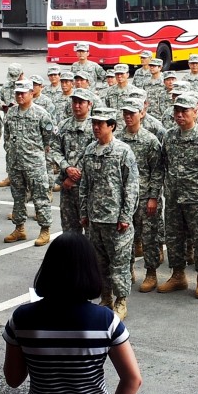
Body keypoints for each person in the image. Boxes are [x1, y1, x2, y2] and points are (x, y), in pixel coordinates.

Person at [3, 233, 142, 394]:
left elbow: (13, 378)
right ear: (90, 271)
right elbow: (133, 380)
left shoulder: (22, 318)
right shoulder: (106, 321)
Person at [157, 92, 198, 298]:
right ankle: (178, 275)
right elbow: (164, 164)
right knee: (175, 237)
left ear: (195, 112)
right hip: (174, 197)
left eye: (184, 111)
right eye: (177, 111)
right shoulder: (169, 136)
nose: (179, 115)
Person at [79, 107, 139, 319]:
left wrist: (125, 216)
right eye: (94, 123)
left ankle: (121, 301)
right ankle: (106, 298)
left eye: (101, 124)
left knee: (120, 264)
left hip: (116, 220)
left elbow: (131, 186)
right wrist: (84, 212)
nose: (96, 127)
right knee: (99, 262)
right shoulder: (89, 151)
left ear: (111, 126)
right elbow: (85, 184)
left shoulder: (122, 151)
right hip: (95, 219)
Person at [2, 79, 56, 246]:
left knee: (40, 197)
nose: (19, 96)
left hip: (34, 164)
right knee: (18, 198)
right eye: (17, 93)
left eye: (23, 93)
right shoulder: (11, 113)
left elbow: (49, 137)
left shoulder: (41, 113)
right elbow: (7, 135)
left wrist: (38, 151)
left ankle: (45, 230)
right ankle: (19, 228)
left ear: (31, 93)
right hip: (15, 163)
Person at [120, 98, 165, 294]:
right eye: (126, 113)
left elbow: (157, 171)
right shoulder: (118, 139)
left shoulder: (150, 140)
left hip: (146, 196)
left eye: (132, 113)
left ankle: (151, 272)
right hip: (124, 197)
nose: (128, 117)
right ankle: (127, 270)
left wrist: (153, 197)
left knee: (149, 237)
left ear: (141, 113)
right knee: (126, 236)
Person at [52, 87, 96, 234]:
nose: (76, 106)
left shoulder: (95, 126)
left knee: (90, 230)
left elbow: (95, 154)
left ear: (89, 104)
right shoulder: (63, 126)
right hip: (67, 187)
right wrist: (66, 168)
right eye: (74, 102)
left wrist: (76, 176)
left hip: (88, 187)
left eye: (80, 103)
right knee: (69, 231)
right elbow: (54, 149)